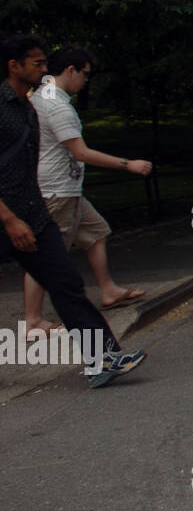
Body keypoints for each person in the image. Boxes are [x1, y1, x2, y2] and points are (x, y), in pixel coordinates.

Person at [0, 35, 145, 386]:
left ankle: (102, 359)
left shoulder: (30, 108)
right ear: (14, 66)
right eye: (36, 63)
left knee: (66, 284)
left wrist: (33, 215)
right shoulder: (3, 109)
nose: (43, 68)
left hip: (33, 213)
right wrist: (8, 218)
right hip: (7, 217)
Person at [22, 47, 154, 333]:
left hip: (65, 189)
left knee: (96, 232)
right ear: (70, 70)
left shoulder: (44, 95)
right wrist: (127, 164)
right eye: (84, 74)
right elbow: (80, 152)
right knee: (47, 255)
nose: (86, 81)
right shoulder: (56, 106)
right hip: (56, 191)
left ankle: (108, 290)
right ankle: (33, 320)